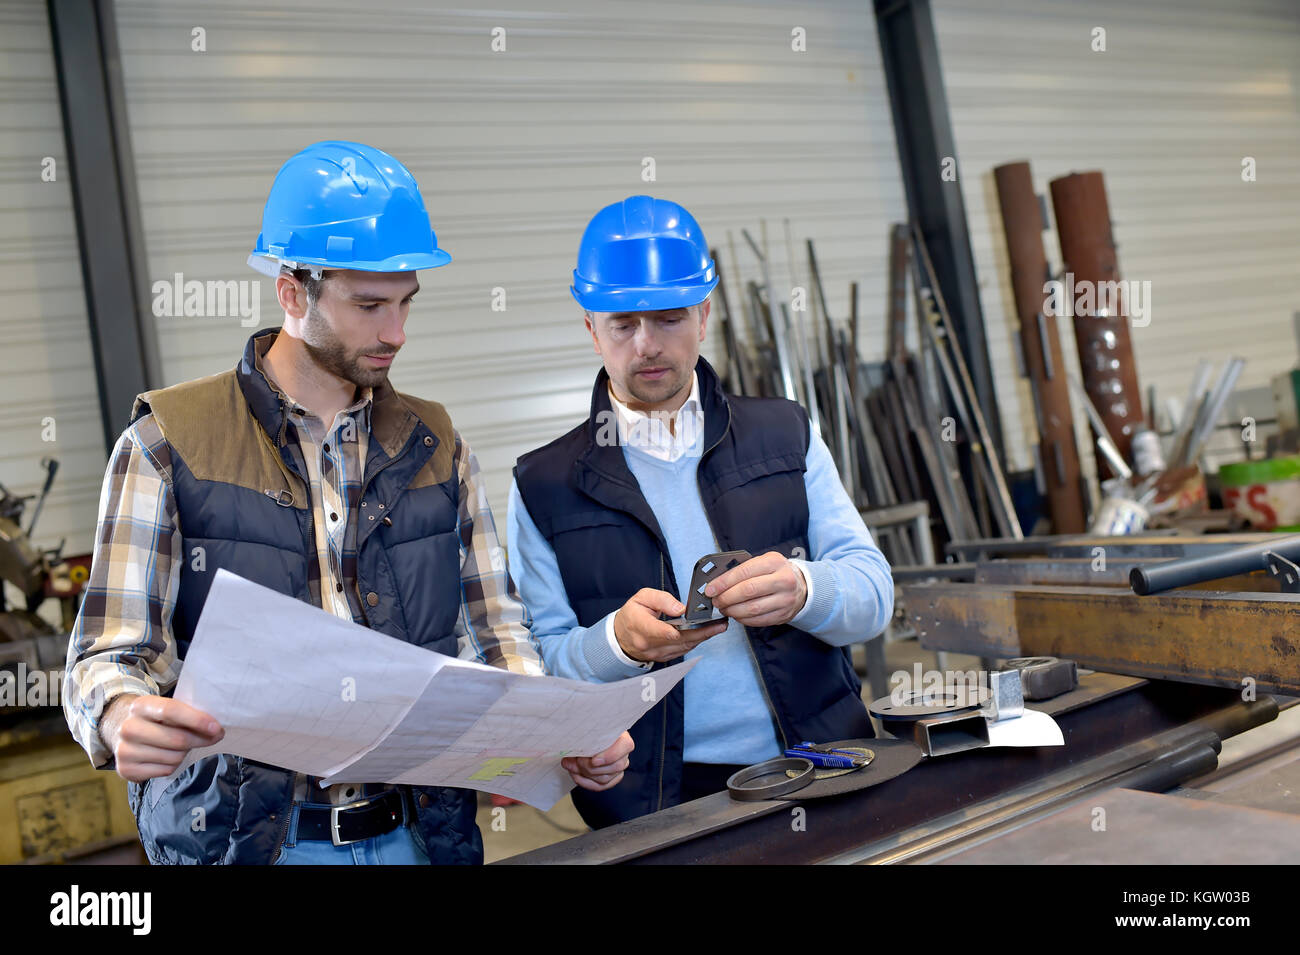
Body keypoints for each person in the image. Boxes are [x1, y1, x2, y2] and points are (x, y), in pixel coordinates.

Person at [62, 141, 631, 865]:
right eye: (368, 305)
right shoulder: (168, 444)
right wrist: (119, 713)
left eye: (404, 304)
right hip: (253, 845)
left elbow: (497, 634)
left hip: (421, 836)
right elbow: (105, 655)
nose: (395, 333)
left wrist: (556, 735)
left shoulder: (438, 444)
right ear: (292, 292)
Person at [507, 195, 894, 828]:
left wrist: (805, 590)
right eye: (622, 323)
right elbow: (543, 665)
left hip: (821, 767)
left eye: (668, 318)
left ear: (705, 314)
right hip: (657, 801)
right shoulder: (543, 484)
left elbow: (874, 597)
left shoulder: (785, 435)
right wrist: (616, 644)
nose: (647, 345)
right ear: (590, 326)